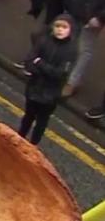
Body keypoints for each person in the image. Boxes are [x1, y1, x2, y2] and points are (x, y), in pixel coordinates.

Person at [18, 15, 77, 145]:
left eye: (64, 27)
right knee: (28, 116)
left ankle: (33, 145)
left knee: (41, 122)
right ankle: (19, 139)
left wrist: (39, 63)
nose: (60, 30)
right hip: (34, 88)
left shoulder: (71, 51)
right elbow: (29, 60)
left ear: (70, 30)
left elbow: (59, 74)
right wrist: (42, 69)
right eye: (57, 26)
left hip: (50, 94)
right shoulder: (43, 41)